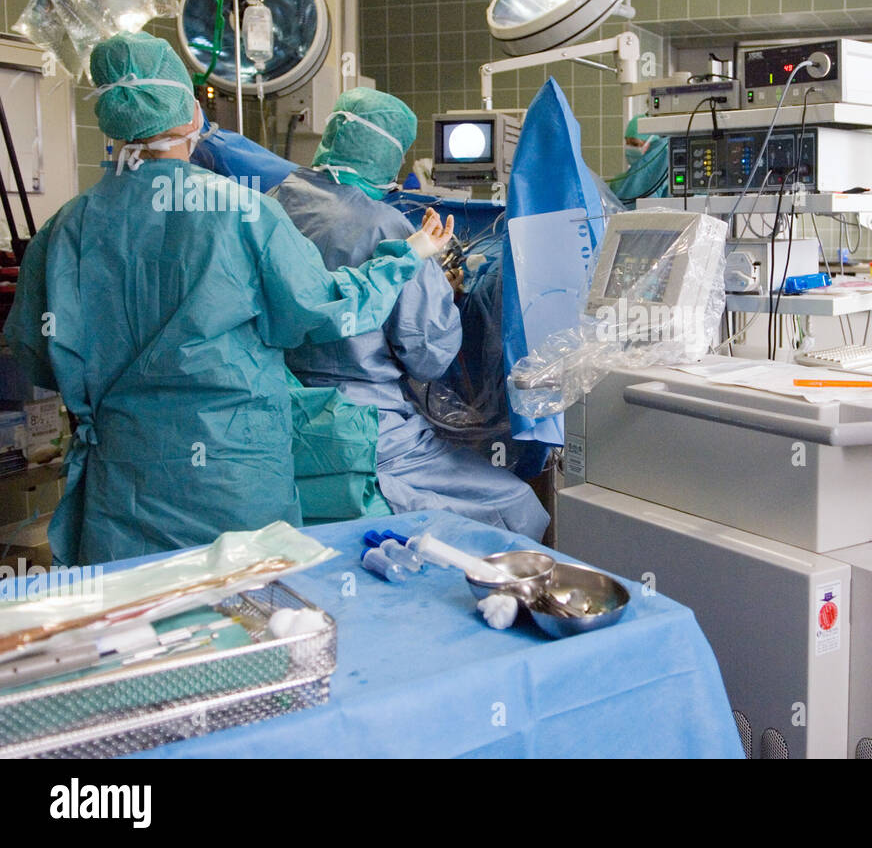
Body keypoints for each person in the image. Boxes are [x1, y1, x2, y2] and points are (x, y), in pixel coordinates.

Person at [2, 32, 453, 565]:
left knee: (137, 630)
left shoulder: (66, 228)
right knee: (247, 618)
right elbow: (327, 308)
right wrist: (408, 255)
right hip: (231, 474)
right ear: (191, 113)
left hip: (122, 481)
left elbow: (36, 355)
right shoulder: (242, 211)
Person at [270, 89, 550, 540]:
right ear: (390, 158)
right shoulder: (387, 228)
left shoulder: (270, 204)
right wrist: (441, 290)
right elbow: (430, 356)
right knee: (516, 506)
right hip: (365, 433)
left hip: (281, 421)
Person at [608, 114, 668, 201]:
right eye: (627, 143)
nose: (629, 148)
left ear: (653, 145)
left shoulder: (664, 177)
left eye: (635, 144)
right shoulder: (619, 183)